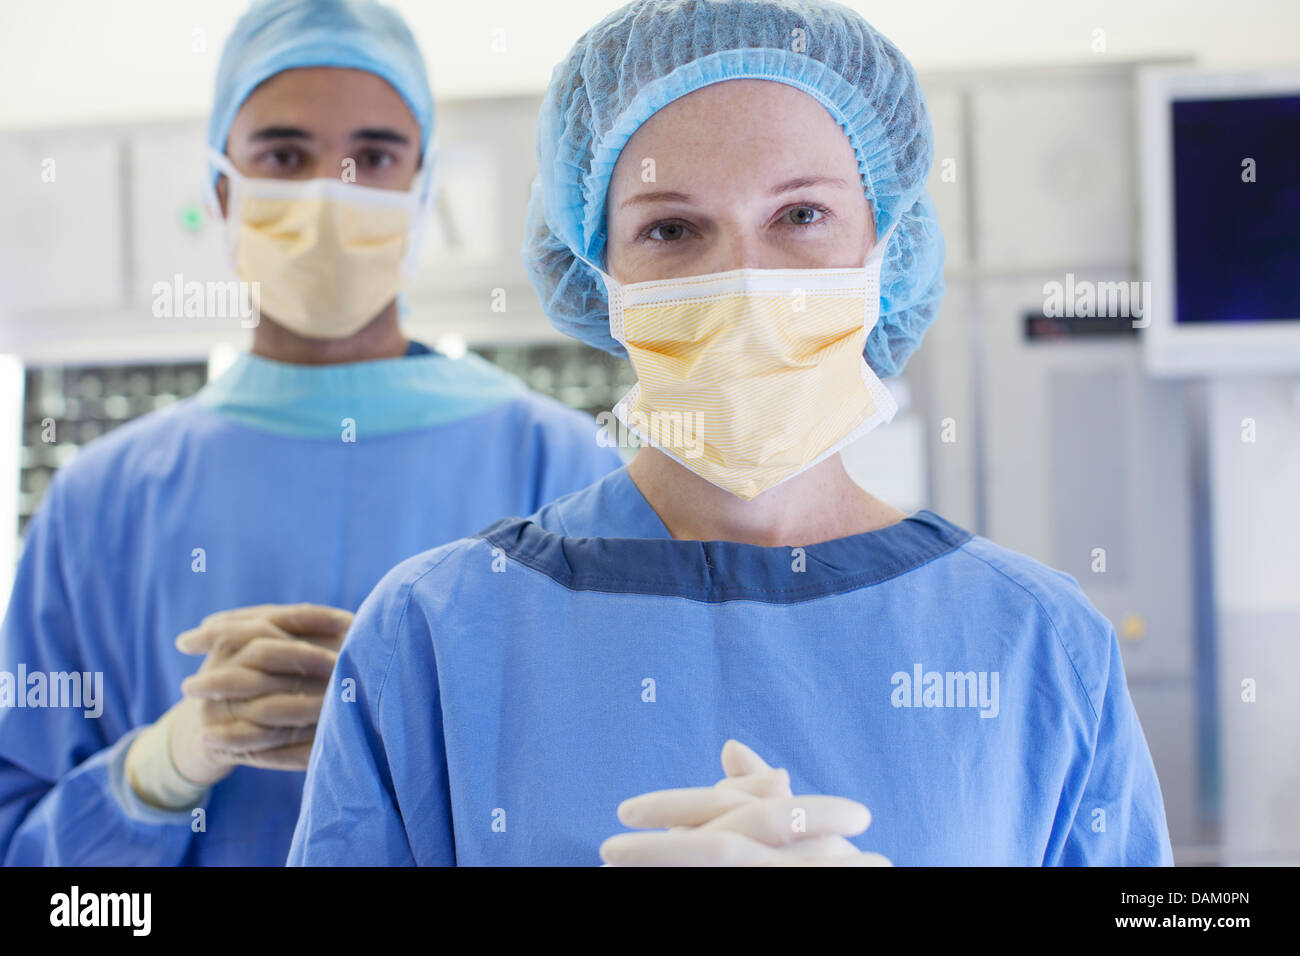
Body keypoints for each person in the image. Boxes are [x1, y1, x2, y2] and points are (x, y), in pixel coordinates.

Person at [287, 0, 1174, 866]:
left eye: (801, 215)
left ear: (887, 243)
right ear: (599, 278)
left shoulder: (1037, 646)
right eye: (671, 228)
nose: (745, 280)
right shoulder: (434, 636)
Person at [0, 0, 621, 866]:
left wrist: (423, 749)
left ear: (423, 188)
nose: (335, 189)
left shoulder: (558, 466)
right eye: (285, 155)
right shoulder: (98, 505)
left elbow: (627, 801)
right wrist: (157, 770)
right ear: (224, 189)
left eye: (374, 155)